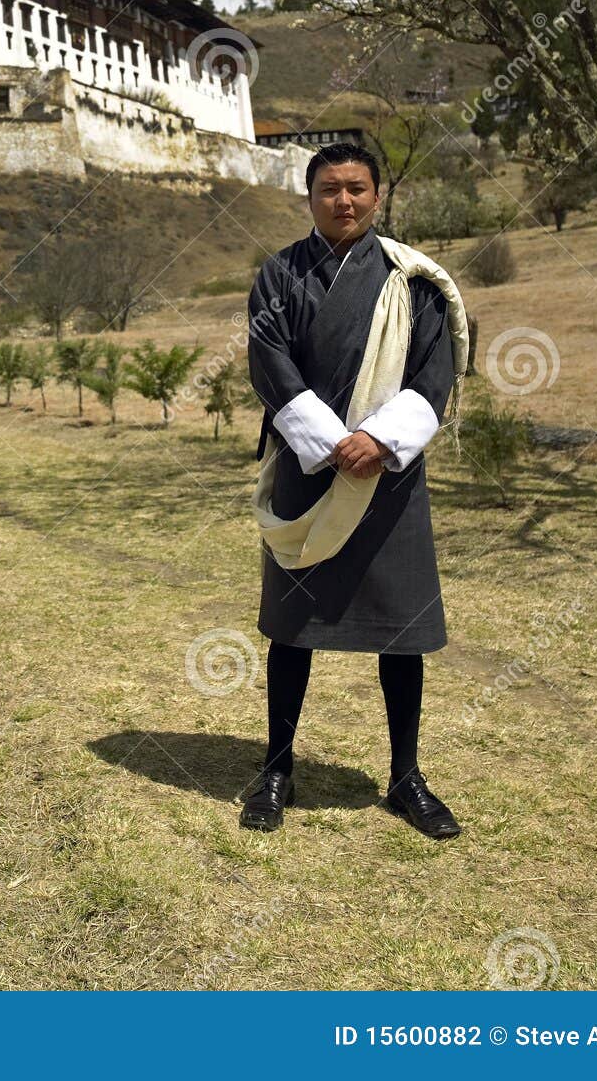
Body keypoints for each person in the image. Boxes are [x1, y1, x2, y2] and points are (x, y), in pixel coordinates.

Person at [241, 142, 468, 840]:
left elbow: (437, 372)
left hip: (388, 478)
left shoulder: (415, 281)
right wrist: (328, 443)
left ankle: (406, 777)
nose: (344, 201)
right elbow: (268, 362)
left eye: (357, 189)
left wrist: (380, 441)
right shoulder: (279, 275)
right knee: (292, 630)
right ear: (309, 197)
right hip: (308, 475)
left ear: (377, 196)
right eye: (330, 189)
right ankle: (277, 768)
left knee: (400, 635)